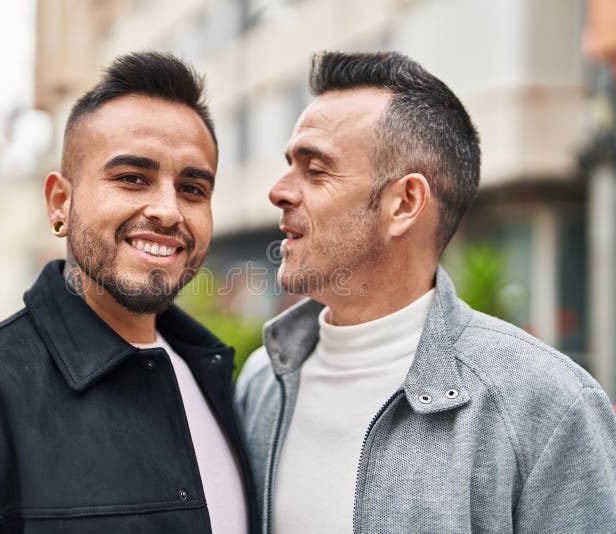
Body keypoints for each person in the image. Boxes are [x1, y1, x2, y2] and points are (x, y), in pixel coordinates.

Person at [0, 52, 258, 534]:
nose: (167, 210)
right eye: (132, 179)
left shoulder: (219, 382)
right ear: (60, 203)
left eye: (192, 189)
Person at [235, 51, 616, 533]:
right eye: (290, 165)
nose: (279, 191)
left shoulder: (548, 406)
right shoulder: (262, 381)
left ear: (405, 203)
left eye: (315, 170)